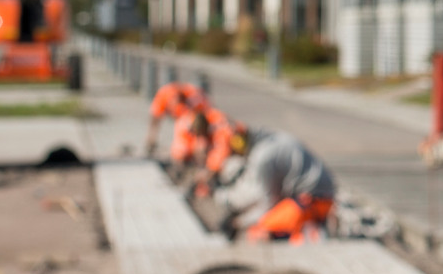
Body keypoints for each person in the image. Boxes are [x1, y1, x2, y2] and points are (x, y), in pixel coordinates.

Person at [209, 126, 337, 245]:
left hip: (313, 201)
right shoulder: (269, 143)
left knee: (260, 230)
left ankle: (298, 252)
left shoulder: (263, 158)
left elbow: (268, 204)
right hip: (318, 194)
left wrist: (238, 223)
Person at [142, 81, 210, 173]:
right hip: (187, 121)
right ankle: (182, 165)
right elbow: (155, 116)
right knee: (181, 145)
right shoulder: (164, 94)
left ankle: (198, 165)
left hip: (196, 120)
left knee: (195, 144)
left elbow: (208, 116)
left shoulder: (195, 96)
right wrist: (151, 138)